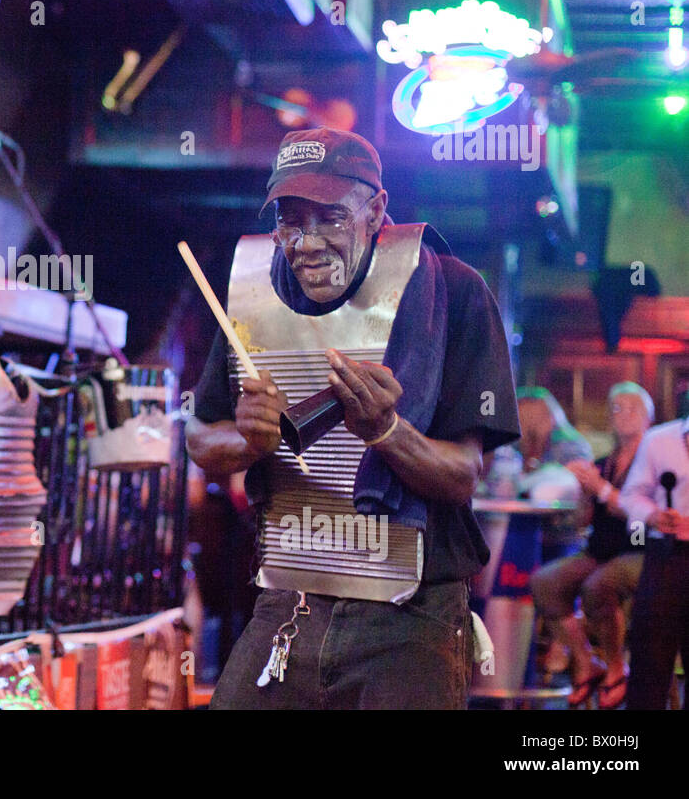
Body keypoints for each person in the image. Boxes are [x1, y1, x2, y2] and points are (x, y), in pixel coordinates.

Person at [187, 127, 520, 709]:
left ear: (376, 212)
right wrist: (247, 441)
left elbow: (463, 473)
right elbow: (199, 437)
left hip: (411, 613)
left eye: (331, 218)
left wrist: (387, 433)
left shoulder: (455, 292)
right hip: (290, 597)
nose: (307, 242)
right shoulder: (250, 296)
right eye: (291, 221)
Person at [529, 382, 651, 708]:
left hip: (640, 551)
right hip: (600, 550)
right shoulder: (602, 462)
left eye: (631, 407)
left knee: (598, 585)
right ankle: (585, 661)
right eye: (616, 407)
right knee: (544, 582)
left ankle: (616, 668)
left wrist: (599, 488)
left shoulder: (654, 462)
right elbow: (584, 521)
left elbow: (640, 512)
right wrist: (580, 490)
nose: (622, 414)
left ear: (648, 419)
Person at [619, 409, 689, 709]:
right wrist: (654, 515)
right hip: (666, 557)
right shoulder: (659, 438)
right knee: (650, 663)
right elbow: (631, 496)